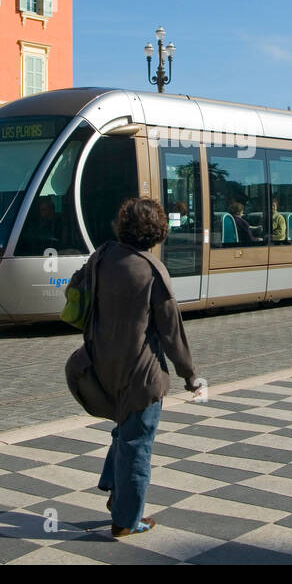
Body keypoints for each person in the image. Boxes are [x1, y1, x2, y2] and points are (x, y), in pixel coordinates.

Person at [67, 197, 203, 537]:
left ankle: (116, 492)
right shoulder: (152, 271)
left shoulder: (102, 256)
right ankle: (126, 521)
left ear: (123, 224)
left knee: (124, 432)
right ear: (158, 232)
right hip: (142, 375)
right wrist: (190, 374)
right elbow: (172, 332)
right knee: (137, 444)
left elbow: (74, 289)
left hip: (102, 366)